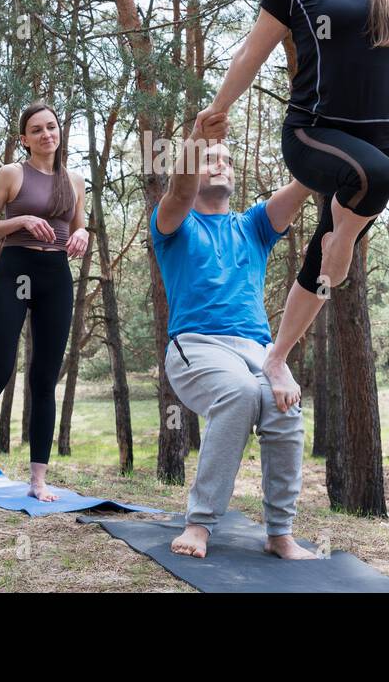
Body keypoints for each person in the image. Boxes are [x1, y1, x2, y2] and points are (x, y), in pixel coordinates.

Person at [198, 0, 389, 395]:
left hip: (385, 131)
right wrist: (219, 109)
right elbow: (253, 50)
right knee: (374, 179)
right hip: (315, 130)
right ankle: (342, 242)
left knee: (325, 252)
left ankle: (277, 356)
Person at [151, 110, 316, 559]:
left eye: (225, 159)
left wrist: (324, 147)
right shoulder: (173, 225)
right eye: (209, 159)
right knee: (242, 394)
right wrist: (196, 139)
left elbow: (302, 186)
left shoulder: (254, 226)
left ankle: (280, 533)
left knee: (284, 408)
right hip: (197, 347)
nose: (219, 163)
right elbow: (179, 190)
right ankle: (200, 524)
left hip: (259, 352)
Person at [0, 102, 89, 501]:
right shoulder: (11, 174)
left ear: (60, 132)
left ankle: (38, 478)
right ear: (24, 139)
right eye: (37, 130)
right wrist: (21, 221)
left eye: (52, 127)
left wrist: (83, 234)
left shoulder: (75, 181)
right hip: (16, 270)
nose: (47, 135)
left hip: (56, 275)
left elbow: (79, 227)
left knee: (44, 379)